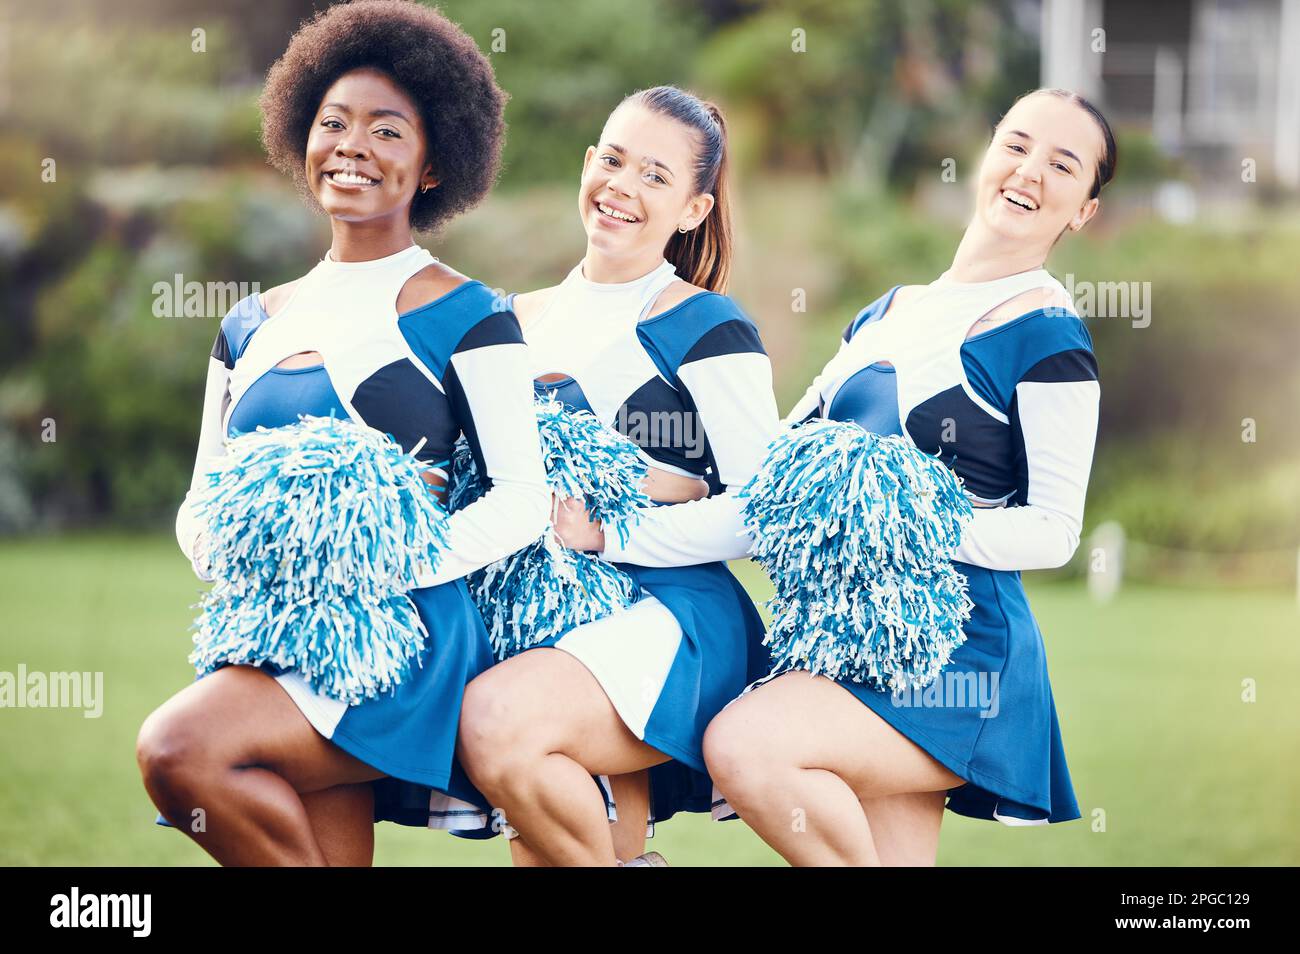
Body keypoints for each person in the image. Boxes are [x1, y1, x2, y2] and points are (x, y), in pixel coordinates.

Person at [598, 88, 1115, 865]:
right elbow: (778, 469)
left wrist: (892, 515)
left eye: (1062, 164)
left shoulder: (1048, 335)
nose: (1029, 171)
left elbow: (1055, 532)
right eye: (1016, 144)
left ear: (1083, 211)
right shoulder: (889, 310)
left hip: (957, 656)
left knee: (747, 744)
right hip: (850, 636)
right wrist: (644, 477)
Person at [135, 0, 549, 866]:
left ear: (435, 165)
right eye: (333, 123)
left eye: (388, 131)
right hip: (275, 630)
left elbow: (521, 499)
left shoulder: (472, 315)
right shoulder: (250, 321)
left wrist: (368, 566)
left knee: (178, 749)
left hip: (399, 640)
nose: (353, 146)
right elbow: (201, 499)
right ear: (302, 137)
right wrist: (244, 558)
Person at [455, 86, 780, 866]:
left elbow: (769, 512)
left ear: (694, 210)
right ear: (586, 162)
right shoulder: (508, 320)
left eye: (655, 176)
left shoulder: (707, 326)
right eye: (613, 159)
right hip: (536, 616)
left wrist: (609, 532)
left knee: (497, 722)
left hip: (671, 617)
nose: (621, 187)